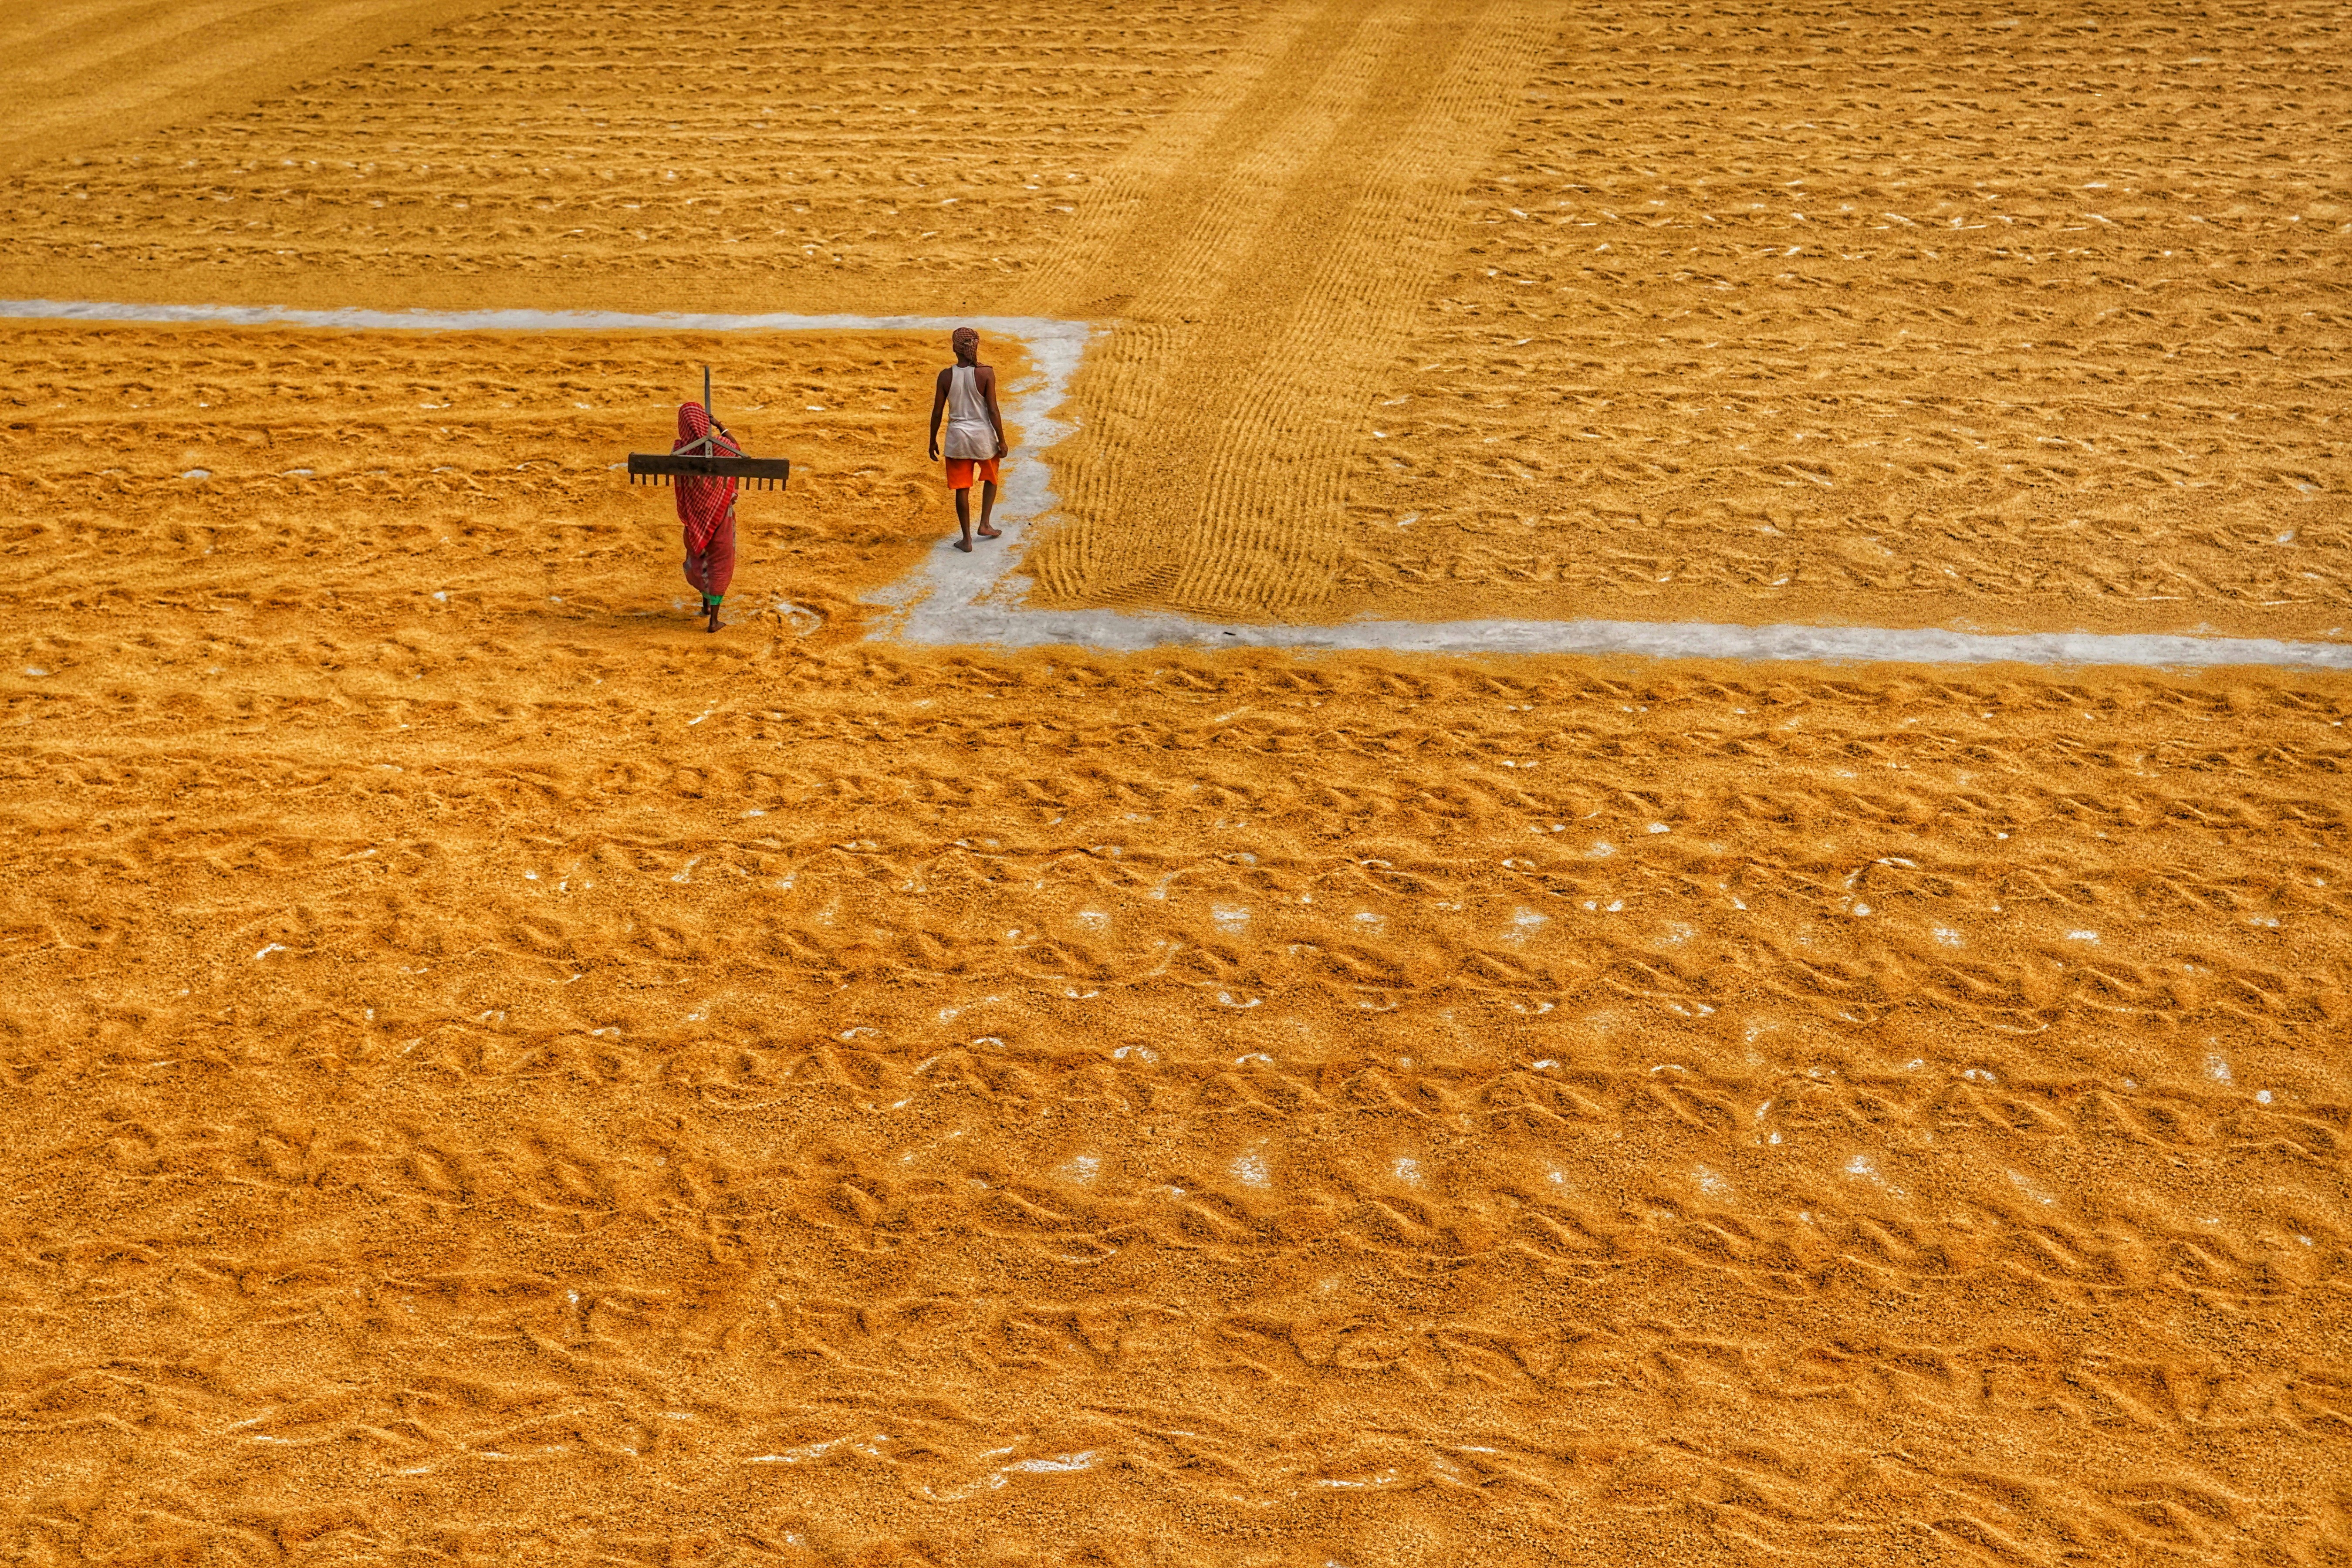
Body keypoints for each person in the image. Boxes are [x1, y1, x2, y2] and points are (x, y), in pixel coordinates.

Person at [927, 326, 1009, 552]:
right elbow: (992, 409)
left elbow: (937, 412)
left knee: (962, 489)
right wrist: (1001, 440)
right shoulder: (986, 373)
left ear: (955, 348)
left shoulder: (946, 376)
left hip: (957, 439)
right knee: (991, 479)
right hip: (983, 437)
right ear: (976, 346)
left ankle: (966, 540)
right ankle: (985, 524)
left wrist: (932, 440)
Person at [672, 402, 738, 632]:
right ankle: (714, 621)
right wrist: (719, 425)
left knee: (701, 557)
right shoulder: (719, 446)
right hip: (720, 516)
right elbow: (738, 450)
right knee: (720, 562)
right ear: (704, 422)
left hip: (695, 520)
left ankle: (705, 608)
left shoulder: (680, 450)